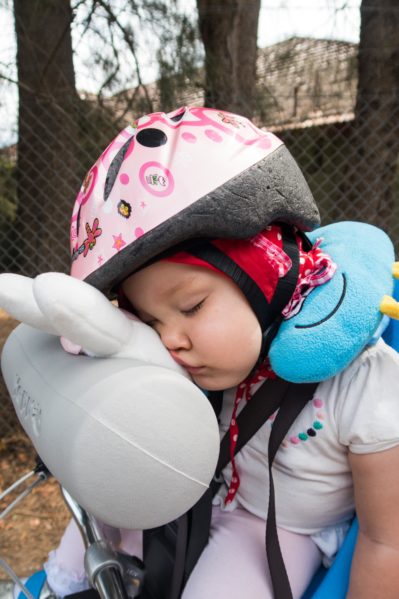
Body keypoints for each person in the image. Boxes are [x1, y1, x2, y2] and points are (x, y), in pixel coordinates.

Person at [14, 107, 399, 599]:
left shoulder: (366, 382)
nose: (170, 339)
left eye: (191, 306)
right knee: (99, 513)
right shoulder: (195, 353)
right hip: (189, 487)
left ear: (267, 273)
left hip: (274, 528)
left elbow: (387, 537)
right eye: (152, 321)